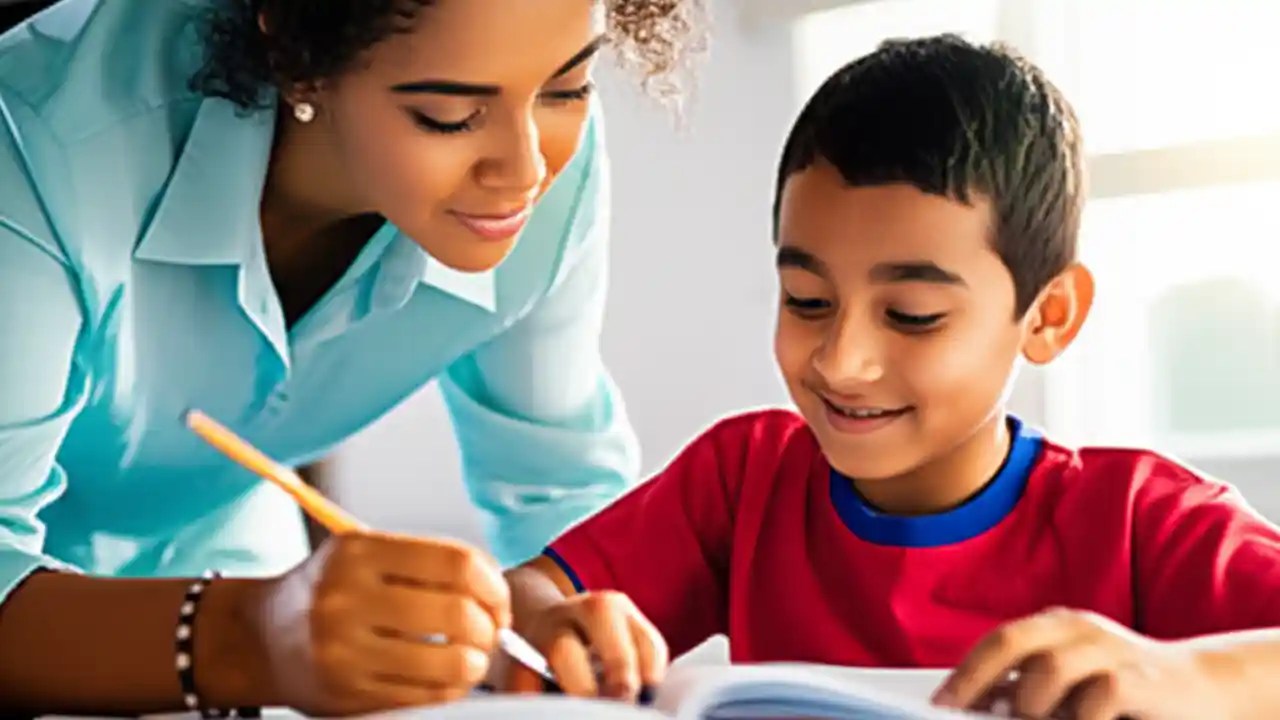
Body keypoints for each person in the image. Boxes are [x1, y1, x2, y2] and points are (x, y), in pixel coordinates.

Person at [505, 34, 1280, 719]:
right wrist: (549, 623)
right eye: (808, 301)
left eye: (911, 314)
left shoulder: (1144, 522)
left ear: (1048, 317)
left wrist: (1192, 677)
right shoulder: (743, 480)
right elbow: (524, 596)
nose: (841, 361)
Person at [0, 0, 705, 716]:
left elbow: (559, 480)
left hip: (226, 560)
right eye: (448, 115)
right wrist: (248, 637)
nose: (524, 170)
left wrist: (555, 606)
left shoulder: (552, 180)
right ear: (297, 59)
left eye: (568, 89)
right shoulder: (37, 142)